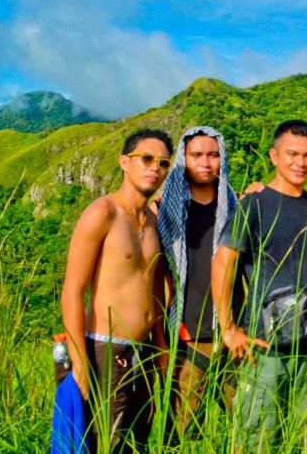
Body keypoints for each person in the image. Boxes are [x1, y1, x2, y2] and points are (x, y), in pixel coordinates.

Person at [211, 120, 307, 454]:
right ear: (274, 156)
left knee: (302, 434)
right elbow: (224, 262)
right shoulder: (256, 203)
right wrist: (228, 327)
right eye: (292, 154)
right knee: (258, 436)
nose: (300, 163)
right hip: (263, 343)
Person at [59, 129, 174, 450]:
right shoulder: (102, 213)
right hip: (105, 351)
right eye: (146, 159)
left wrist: (161, 348)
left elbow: (154, 291)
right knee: (106, 443)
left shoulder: (152, 220)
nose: (155, 168)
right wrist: (79, 359)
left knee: (136, 443)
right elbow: (72, 290)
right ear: (125, 162)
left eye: (163, 163)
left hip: (144, 352)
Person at [155, 126, 239, 435]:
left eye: (213, 155)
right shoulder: (166, 211)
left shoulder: (236, 208)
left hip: (232, 332)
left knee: (241, 424)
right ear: (183, 159)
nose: (205, 163)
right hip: (188, 334)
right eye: (196, 155)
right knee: (184, 429)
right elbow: (155, 274)